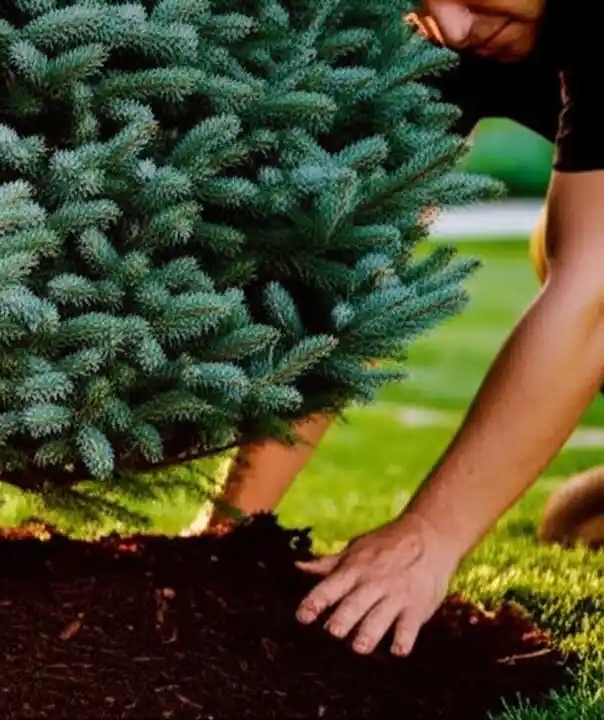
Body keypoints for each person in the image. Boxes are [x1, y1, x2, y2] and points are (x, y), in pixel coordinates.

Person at [189, 0, 604, 658]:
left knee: (582, 238)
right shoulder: (452, 34)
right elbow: (359, 281)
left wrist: (429, 536)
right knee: (577, 521)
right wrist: (228, 534)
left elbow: (594, 292)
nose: (453, 26)